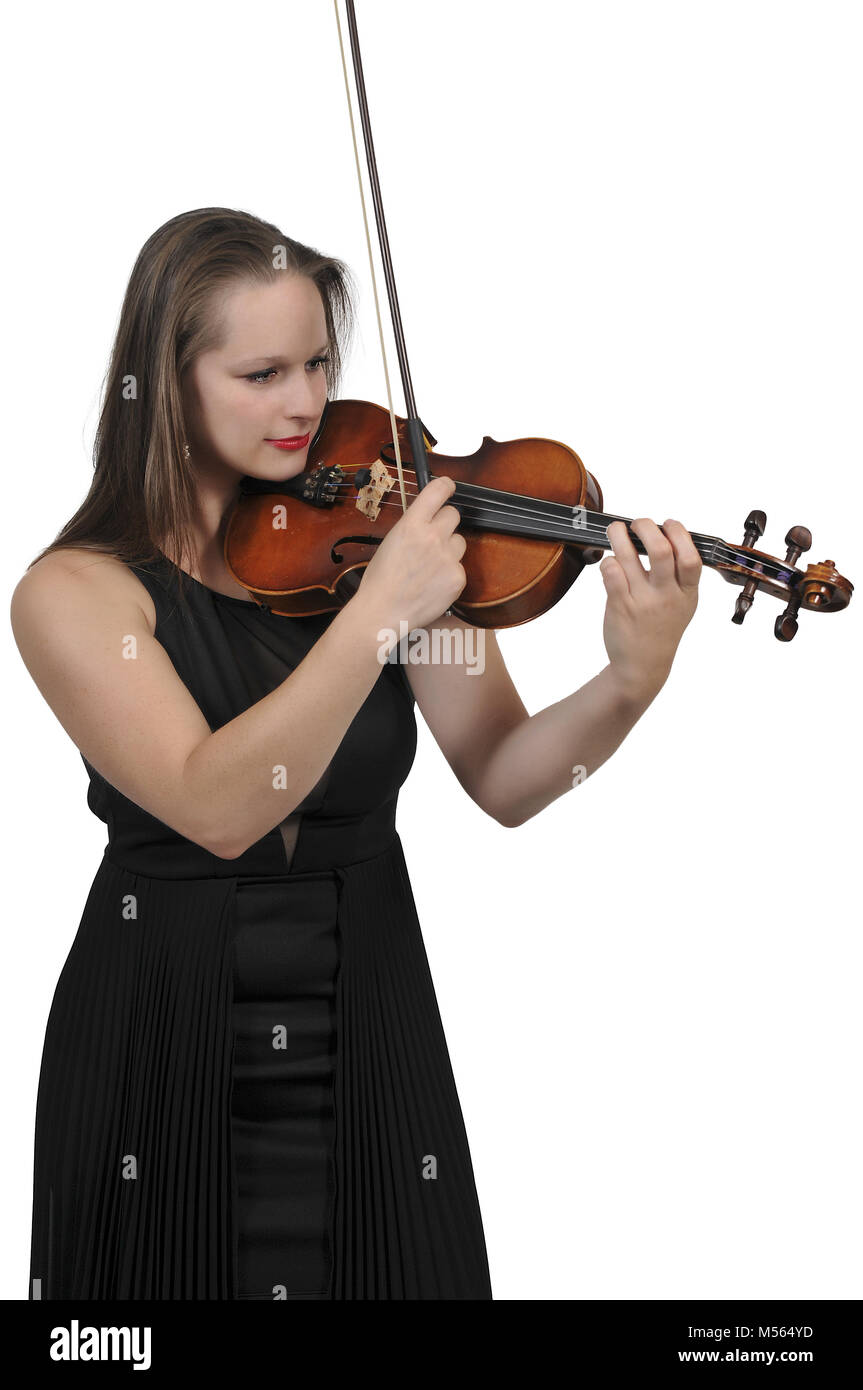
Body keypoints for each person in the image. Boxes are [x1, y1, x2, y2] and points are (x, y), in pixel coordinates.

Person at [10, 207, 702, 1301]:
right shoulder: (75, 591)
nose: (303, 403)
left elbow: (507, 775)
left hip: (366, 1006)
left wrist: (630, 677)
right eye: (260, 371)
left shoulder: (381, 541)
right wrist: (376, 615)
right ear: (166, 378)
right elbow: (217, 804)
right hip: (164, 1027)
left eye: (320, 361)